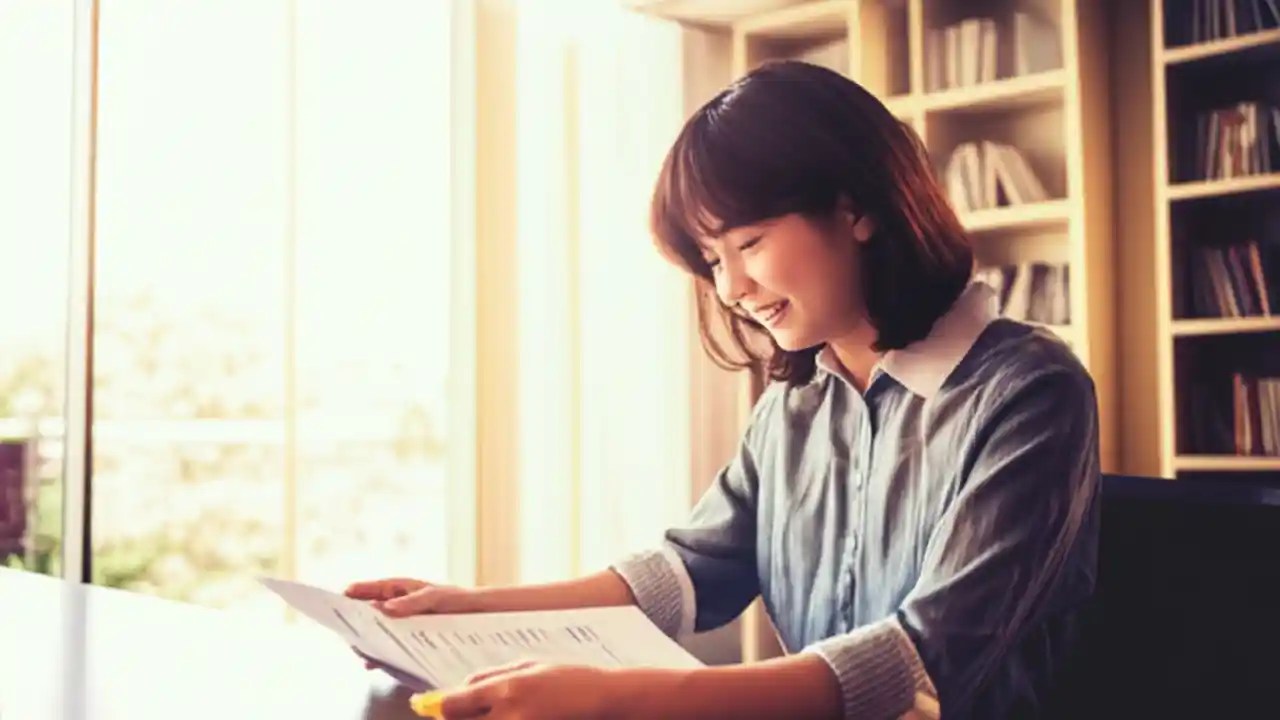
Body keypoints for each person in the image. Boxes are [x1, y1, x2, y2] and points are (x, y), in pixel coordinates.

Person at [345, 60, 1100, 720]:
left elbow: (920, 662)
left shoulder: (1031, 393)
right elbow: (686, 574)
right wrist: (464, 611)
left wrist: (615, 698)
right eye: (711, 259)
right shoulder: (794, 407)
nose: (731, 287)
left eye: (749, 243)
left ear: (857, 208)